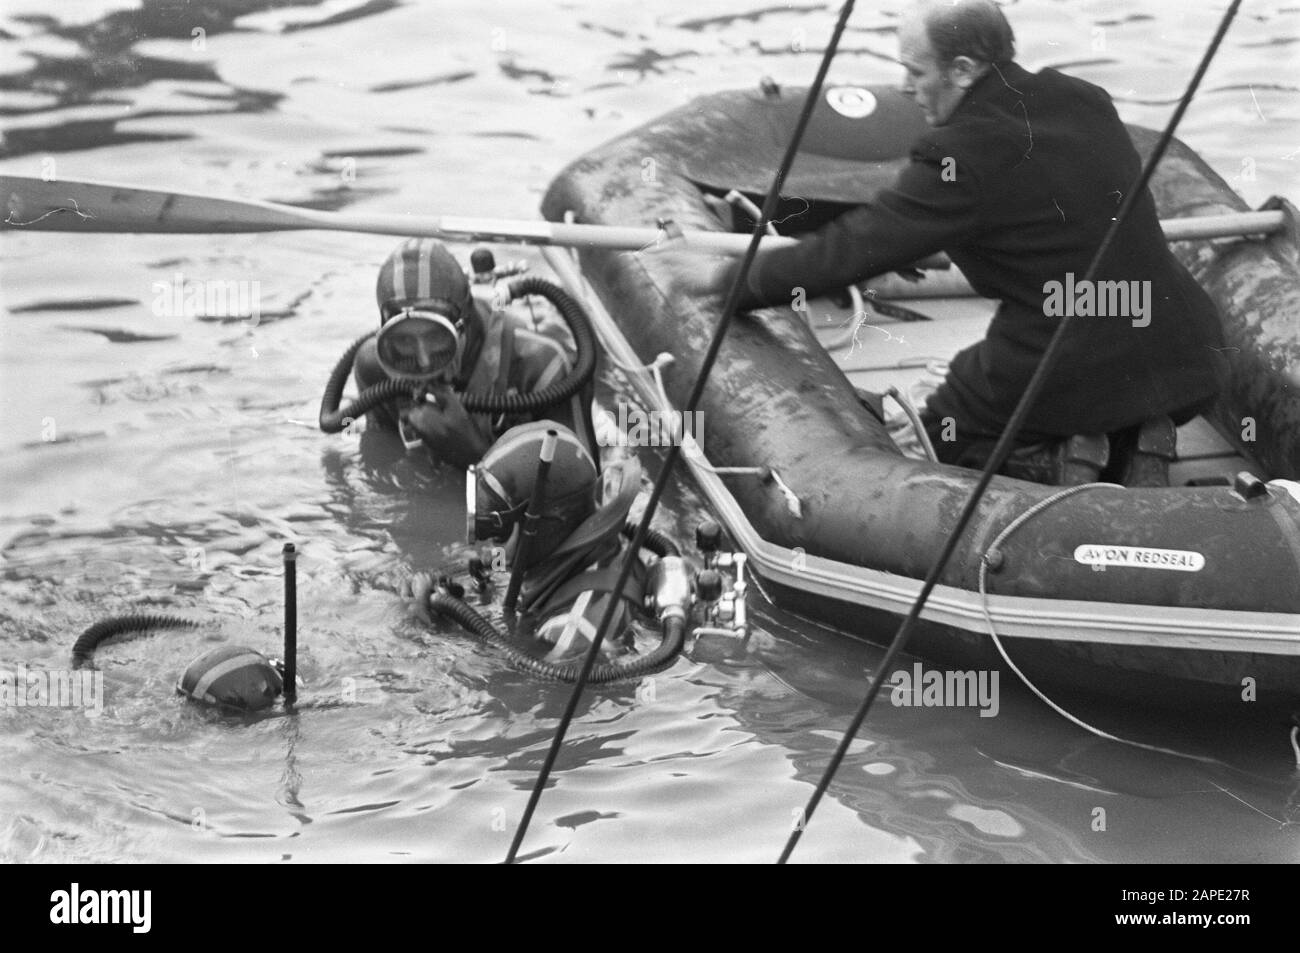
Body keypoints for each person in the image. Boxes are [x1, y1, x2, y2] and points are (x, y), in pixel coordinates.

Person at [699, 0, 1229, 486]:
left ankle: (1067, 457)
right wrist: (934, 238)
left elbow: (849, 249)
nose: (905, 87)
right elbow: (1050, 216)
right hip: (1186, 349)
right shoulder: (1080, 99)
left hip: (1065, 361)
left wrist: (726, 281)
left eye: (914, 71)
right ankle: (1138, 434)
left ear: (962, 70)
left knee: (943, 433)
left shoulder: (961, 154)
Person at [354, 238, 594, 468]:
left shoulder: (541, 368)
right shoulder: (376, 368)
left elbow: (583, 499)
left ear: (464, 324)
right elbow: (382, 467)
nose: (424, 361)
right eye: (404, 341)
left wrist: (473, 454)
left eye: (437, 336)